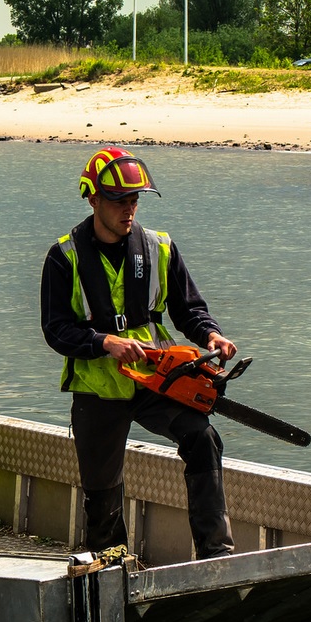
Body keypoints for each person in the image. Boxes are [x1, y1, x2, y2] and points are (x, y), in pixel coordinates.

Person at [40, 146, 236, 559]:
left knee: (203, 438)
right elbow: (56, 330)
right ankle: (113, 571)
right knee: (102, 492)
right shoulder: (64, 257)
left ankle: (216, 556)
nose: (129, 209)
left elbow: (189, 309)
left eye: (134, 200)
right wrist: (104, 342)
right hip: (97, 390)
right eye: (118, 201)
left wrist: (211, 335)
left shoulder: (159, 247)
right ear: (93, 199)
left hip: (157, 379)